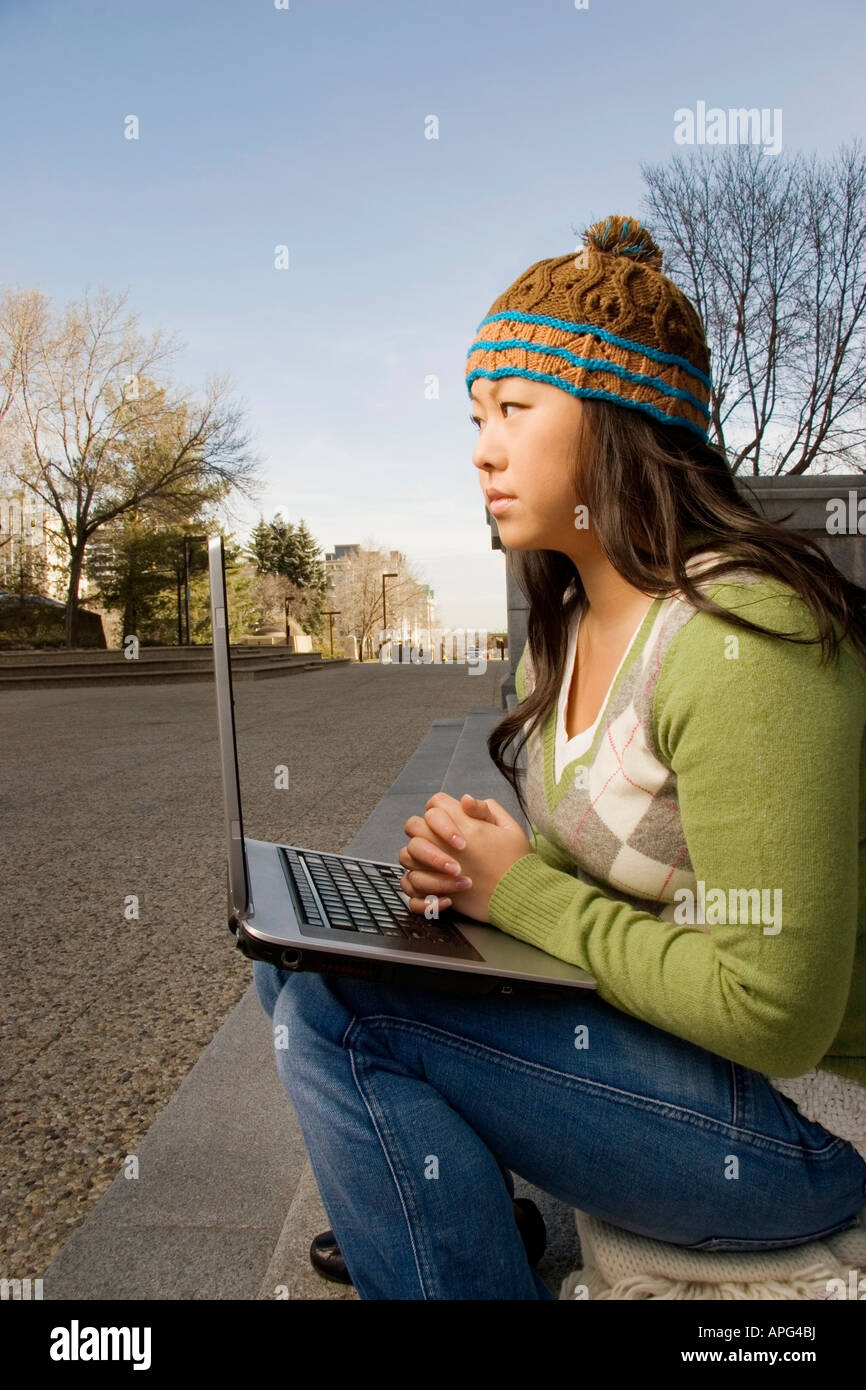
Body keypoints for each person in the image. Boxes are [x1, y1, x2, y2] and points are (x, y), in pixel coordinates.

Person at [254, 213, 866, 1300]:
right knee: (295, 948)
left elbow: (776, 1010)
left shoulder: (743, 641)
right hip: (664, 1059)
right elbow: (608, 892)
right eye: (475, 417)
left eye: (513, 412)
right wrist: (478, 875)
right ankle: (442, 1211)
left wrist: (525, 894)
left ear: (622, 420)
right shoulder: (573, 617)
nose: (480, 448)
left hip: (810, 1125)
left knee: (340, 1009)